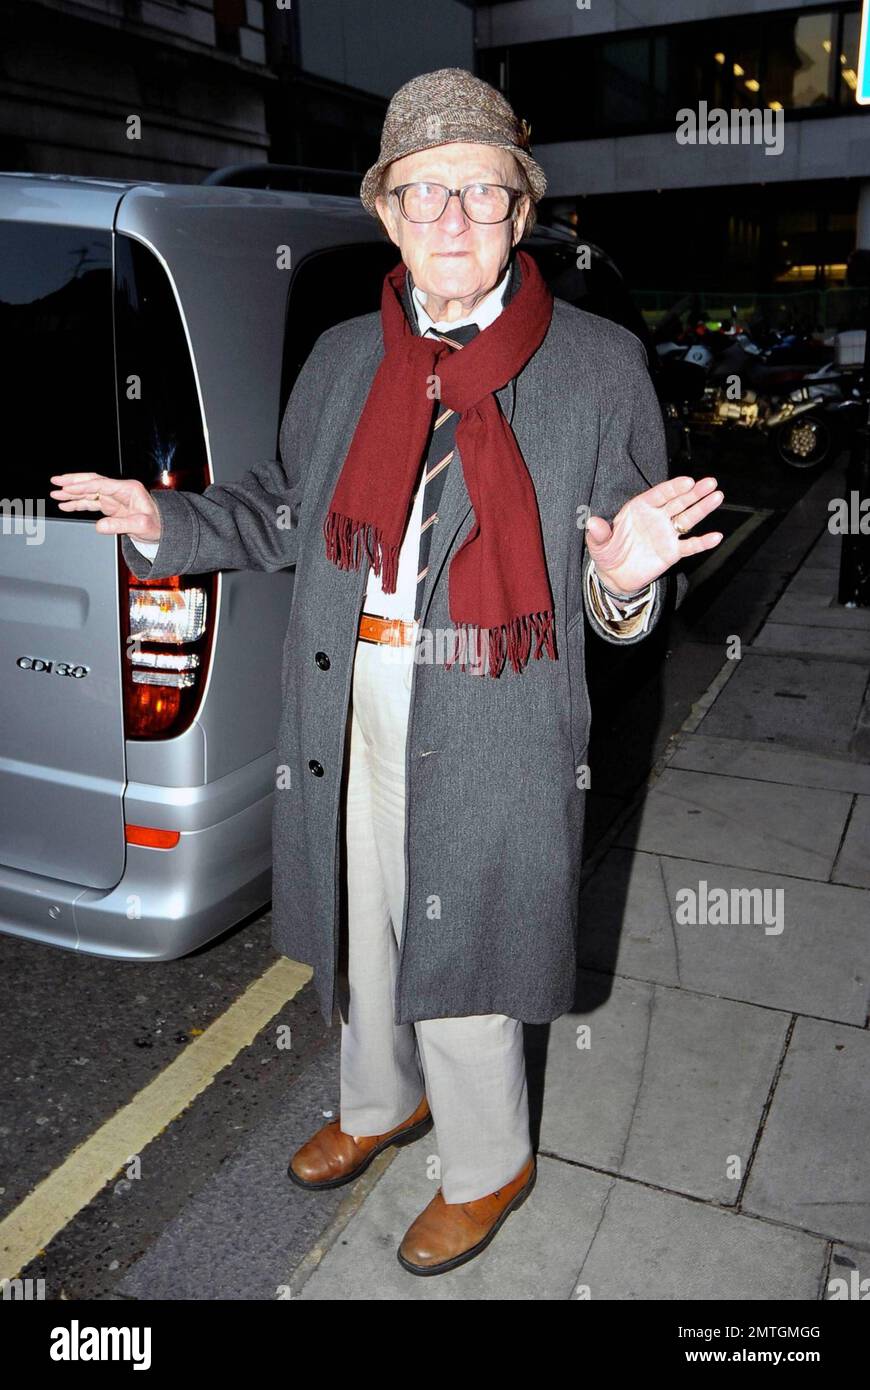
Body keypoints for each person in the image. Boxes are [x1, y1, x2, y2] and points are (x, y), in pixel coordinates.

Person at [50, 67, 723, 1277]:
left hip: (498, 712)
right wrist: (164, 520)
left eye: (480, 192)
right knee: (364, 929)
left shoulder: (596, 364)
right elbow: (283, 514)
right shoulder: (347, 356)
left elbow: (618, 585)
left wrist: (624, 577)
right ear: (387, 212)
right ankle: (377, 1103)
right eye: (424, 194)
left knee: (464, 953)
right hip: (347, 698)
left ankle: (486, 1162)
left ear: (523, 213)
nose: (451, 221)